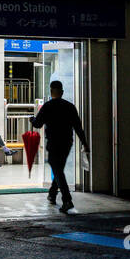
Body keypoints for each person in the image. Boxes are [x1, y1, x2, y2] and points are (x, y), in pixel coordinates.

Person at [30, 80, 88, 213]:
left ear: (51, 92)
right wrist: (85, 143)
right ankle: (52, 194)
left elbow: (37, 124)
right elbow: (78, 127)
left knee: (57, 169)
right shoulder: (70, 107)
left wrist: (32, 120)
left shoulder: (48, 106)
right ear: (62, 92)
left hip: (53, 143)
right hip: (67, 143)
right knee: (59, 168)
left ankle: (67, 200)